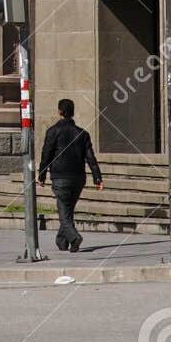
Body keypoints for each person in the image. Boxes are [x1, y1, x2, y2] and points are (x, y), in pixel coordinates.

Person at [37, 99, 103, 252]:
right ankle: (62, 241)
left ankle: (74, 237)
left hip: (60, 177)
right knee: (68, 210)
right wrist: (97, 177)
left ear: (59, 111)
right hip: (78, 178)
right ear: (72, 112)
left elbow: (46, 155)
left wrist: (41, 175)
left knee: (64, 212)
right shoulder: (83, 134)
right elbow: (90, 158)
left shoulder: (52, 131)